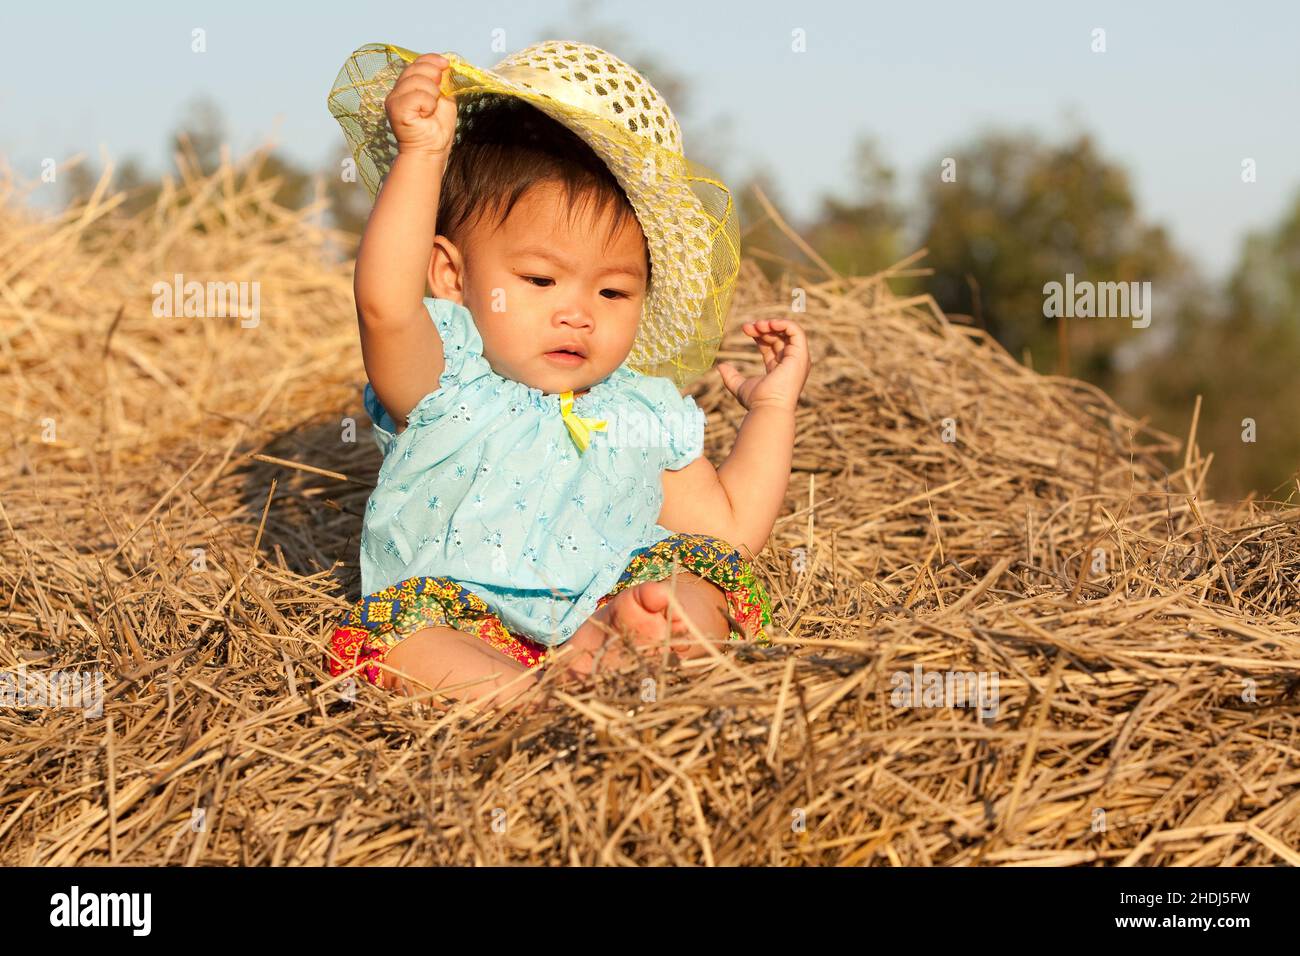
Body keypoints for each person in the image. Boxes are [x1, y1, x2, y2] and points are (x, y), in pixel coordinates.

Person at [324, 41, 811, 710]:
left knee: (700, 580)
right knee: (398, 639)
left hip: (606, 610)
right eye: (540, 280)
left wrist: (773, 408)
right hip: (464, 623)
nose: (578, 313)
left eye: (612, 293)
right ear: (452, 275)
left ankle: (632, 641)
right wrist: (423, 157)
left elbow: (728, 533)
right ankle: (539, 694)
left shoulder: (639, 407)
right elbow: (383, 305)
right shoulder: (448, 380)